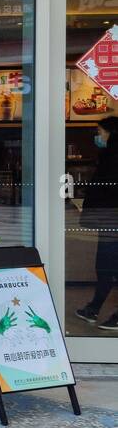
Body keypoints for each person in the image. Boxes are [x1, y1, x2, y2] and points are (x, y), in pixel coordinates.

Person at [77, 115, 118, 329]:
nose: (97, 136)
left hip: (112, 217)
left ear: (111, 133)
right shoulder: (109, 155)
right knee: (106, 265)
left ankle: (95, 309)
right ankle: (93, 308)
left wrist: (95, 192)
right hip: (109, 217)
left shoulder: (113, 157)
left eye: (100, 132)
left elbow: (111, 187)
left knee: (106, 265)